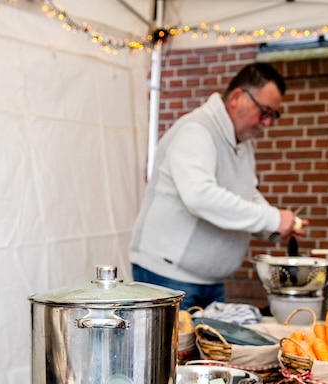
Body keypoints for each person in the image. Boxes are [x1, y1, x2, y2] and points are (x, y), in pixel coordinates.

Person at [129, 62, 305, 308]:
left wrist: (275, 226)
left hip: (210, 281)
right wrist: (272, 219)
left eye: (273, 115)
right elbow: (200, 196)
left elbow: (247, 194)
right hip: (168, 279)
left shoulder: (242, 143)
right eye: (264, 111)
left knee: (210, 348)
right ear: (237, 97)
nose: (266, 122)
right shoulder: (197, 131)